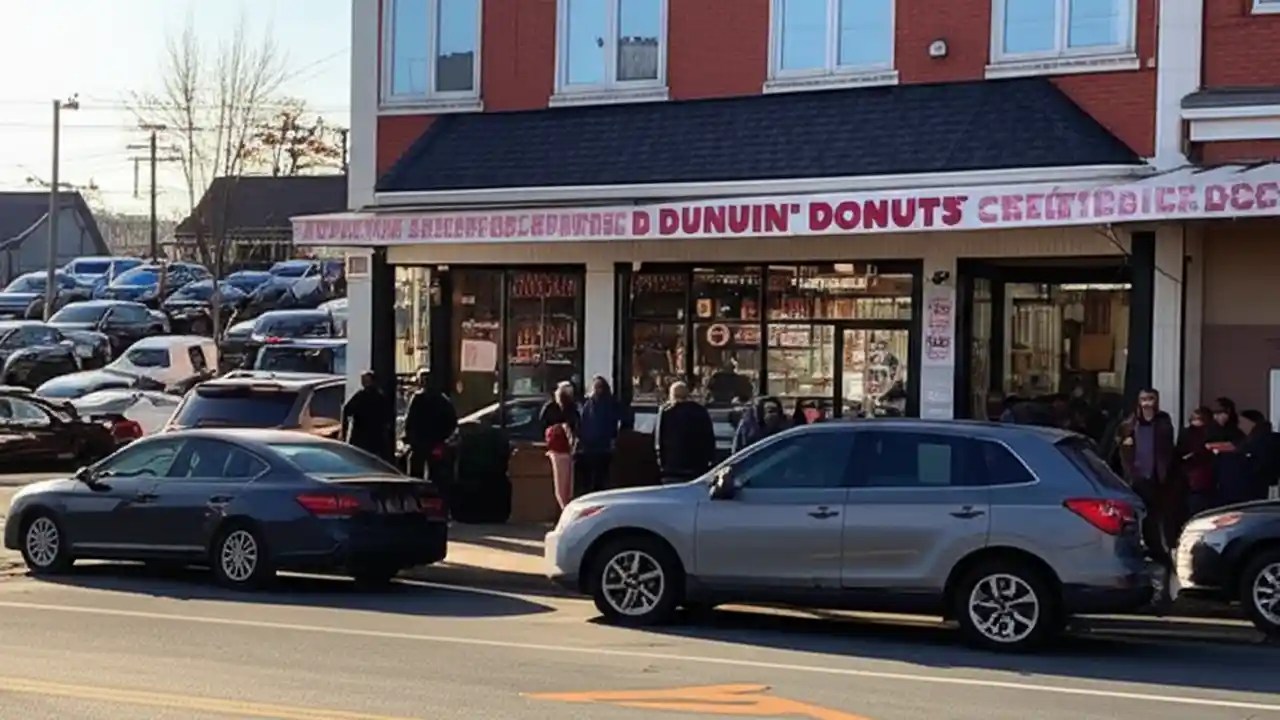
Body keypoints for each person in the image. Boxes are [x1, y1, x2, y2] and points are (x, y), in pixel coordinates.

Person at [1115, 388, 1177, 562]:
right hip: (1136, 476)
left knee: (1155, 515)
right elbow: (1120, 442)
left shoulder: (1163, 421)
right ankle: (1136, 547)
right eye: (1143, 399)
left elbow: (1167, 446)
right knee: (1134, 514)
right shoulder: (1130, 423)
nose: (1147, 403)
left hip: (1157, 476)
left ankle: (1156, 548)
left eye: (1151, 399)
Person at [402, 369, 457, 482]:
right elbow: (452, 421)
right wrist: (444, 437)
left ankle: (417, 490)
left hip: (420, 441)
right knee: (436, 472)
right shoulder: (443, 400)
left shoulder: (418, 398)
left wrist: (409, 436)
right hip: (435, 441)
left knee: (416, 470)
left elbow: (410, 420)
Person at [654, 381, 716, 483]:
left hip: (672, 468)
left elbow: (658, 441)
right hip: (697, 468)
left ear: (671, 395)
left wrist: (661, 463)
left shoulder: (666, 412)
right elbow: (709, 439)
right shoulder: (700, 411)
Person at [576, 376, 621, 497]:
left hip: (596, 447)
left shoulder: (591, 404)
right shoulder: (606, 403)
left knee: (596, 478)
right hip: (597, 446)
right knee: (599, 477)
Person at [1227, 409, 1278, 504]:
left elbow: (1263, 463)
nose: (1239, 426)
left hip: (1256, 486)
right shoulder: (1251, 439)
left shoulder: (1261, 441)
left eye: (1241, 422)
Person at [542, 382, 578, 508]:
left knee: (563, 483)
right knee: (566, 484)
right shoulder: (569, 408)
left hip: (560, 450)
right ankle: (564, 506)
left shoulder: (554, 407)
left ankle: (564, 506)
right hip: (563, 449)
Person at [341, 370, 391, 460]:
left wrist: (344, 432)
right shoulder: (378, 397)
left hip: (363, 437)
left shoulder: (361, 396)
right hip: (373, 436)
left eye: (366, 381)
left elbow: (346, 410)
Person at [1177, 407, 1216, 518]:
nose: (1196, 421)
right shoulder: (1186, 433)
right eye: (1194, 418)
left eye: (1199, 418)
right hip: (1189, 478)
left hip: (1202, 478)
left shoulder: (1210, 433)